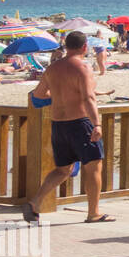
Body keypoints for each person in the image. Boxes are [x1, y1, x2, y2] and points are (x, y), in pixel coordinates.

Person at [23, 31, 110, 223]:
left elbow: (37, 96)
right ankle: (93, 212)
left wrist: (61, 97)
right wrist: (97, 124)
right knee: (94, 166)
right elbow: (88, 98)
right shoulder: (83, 68)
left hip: (58, 125)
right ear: (84, 47)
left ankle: (35, 202)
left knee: (63, 169)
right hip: (80, 123)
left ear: (66, 46)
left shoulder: (53, 68)